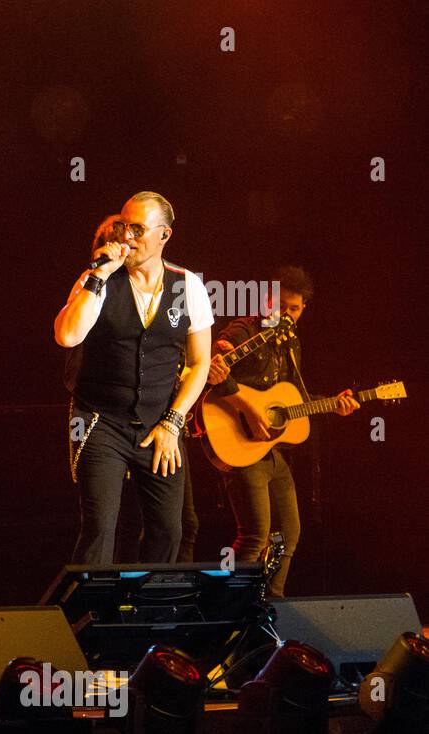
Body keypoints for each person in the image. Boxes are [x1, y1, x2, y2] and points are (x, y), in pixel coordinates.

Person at [54, 191, 212, 565]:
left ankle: (151, 614)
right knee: (101, 527)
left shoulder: (186, 286)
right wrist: (99, 275)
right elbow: (67, 336)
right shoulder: (99, 280)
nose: (126, 237)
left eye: (138, 229)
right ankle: (88, 618)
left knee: (169, 530)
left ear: (164, 235)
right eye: (124, 226)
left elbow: (200, 363)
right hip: (99, 421)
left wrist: (173, 422)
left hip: (159, 424)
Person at [206, 267, 358, 597]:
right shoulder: (244, 330)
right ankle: (232, 606)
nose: (285, 314)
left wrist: (333, 403)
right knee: (255, 535)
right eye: (280, 305)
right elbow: (213, 367)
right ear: (266, 300)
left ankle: (273, 604)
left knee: (289, 533)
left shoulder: (290, 343)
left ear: (303, 309)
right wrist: (248, 408)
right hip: (240, 444)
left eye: (294, 309)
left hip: (272, 452)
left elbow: (293, 401)